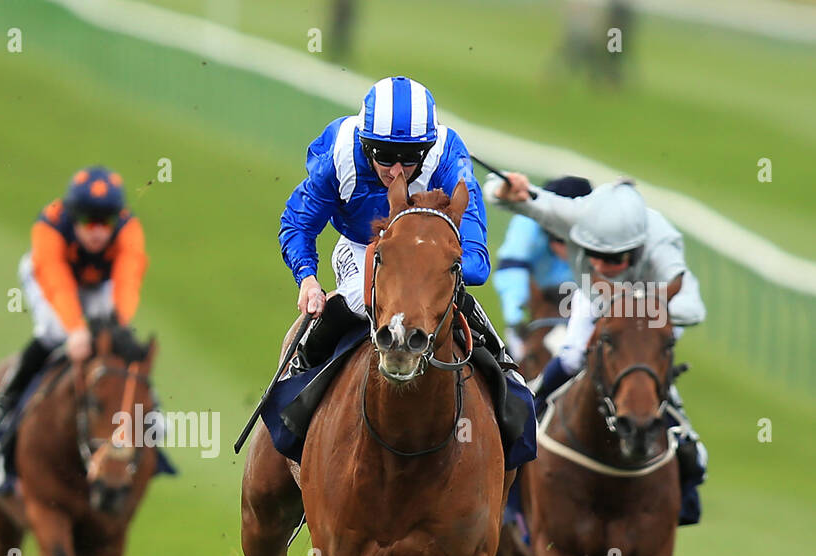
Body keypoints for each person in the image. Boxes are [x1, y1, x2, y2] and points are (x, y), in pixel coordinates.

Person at [487, 172, 708, 524]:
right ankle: (526, 422)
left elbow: (693, 309)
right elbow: (505, 199)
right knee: (572, 355)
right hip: (597, 301)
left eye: (614, 259)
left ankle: (687, 457)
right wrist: (507, 190)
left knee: (646, 373)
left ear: (637, 249)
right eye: (594, 255)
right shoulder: (579, 216)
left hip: (650, 317)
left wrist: (636, 307)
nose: (602, 267)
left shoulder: (662, 243)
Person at [278, 75, 512, 374]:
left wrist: (423, 272)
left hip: (432, 256)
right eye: (385, 155)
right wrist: (308, 279)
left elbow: (477, 264)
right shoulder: (338, 157)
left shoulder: (448, 159)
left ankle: (516, 398)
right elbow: (298, 224)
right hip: (363, 248)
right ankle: (295, 389)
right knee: (351, 303)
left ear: (426, 151)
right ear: (366, 147)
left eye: (411, 157)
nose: (397, 170)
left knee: (492, 348)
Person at [0, 165, 148, 489]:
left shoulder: (129, 228)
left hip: (100, 284)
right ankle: (4, 408)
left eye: (106, 222)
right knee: (54, 333)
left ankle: (146, 418)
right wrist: (75, 329)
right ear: (74, 216)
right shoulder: (51, 226)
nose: (97, 231)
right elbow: (56, 283)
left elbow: (127, 280)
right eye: (88, 221)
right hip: (49, 278)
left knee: (118, 344)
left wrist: (117, 329)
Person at [491, 175, 591, 361]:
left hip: (580, 300)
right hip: (541, 298)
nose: (563, 249)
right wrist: (516, 319)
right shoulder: (527, 224)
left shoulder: (600, 231)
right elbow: (512, 271)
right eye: (557, 238)